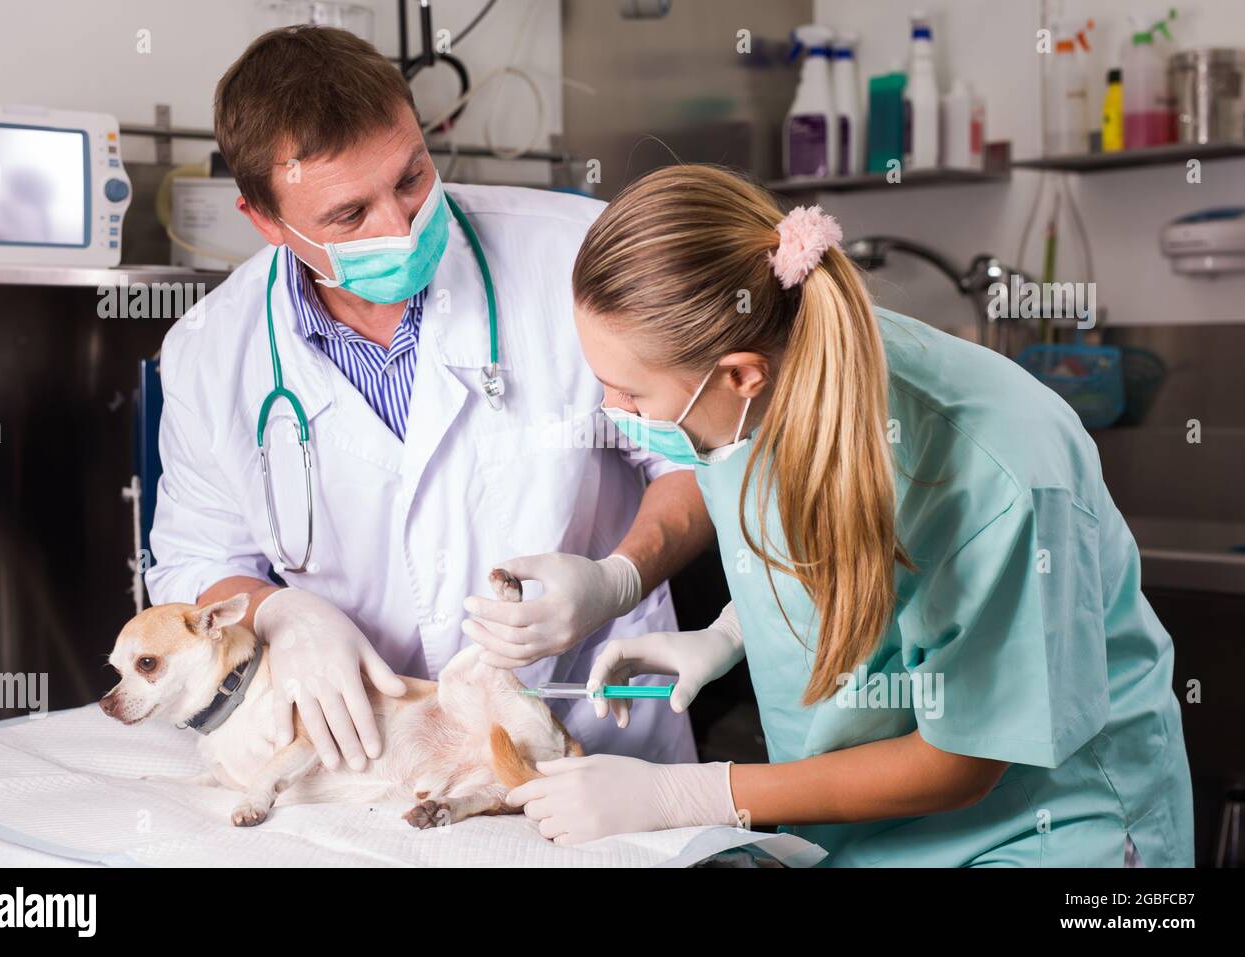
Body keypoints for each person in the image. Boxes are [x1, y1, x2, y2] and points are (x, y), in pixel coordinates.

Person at [507, 164, 1194, 867]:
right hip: (869, 832)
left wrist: (692, 795)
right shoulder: (746, 406)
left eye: (630, 394)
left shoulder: (997, 471)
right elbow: (826, 549)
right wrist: (723, 634)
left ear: (741, 373)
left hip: (1045, 830)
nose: (615, 418)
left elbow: (964, 758)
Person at [145, 26, 712, 770]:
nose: (400, 225)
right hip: (377, 759)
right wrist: (279, 610)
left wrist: (620, 576)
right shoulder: (210, 352)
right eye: (349, 216)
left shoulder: (574, 252)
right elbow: (195, 560)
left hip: (596, 733)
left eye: (412, 178)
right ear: (264, 222)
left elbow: (706, 451)